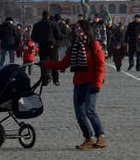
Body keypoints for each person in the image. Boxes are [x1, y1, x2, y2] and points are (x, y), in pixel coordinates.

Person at [44, 19, 107, 149]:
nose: (77, 29)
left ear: (86, 29)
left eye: (80, 27)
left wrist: (98, 83)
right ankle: (88, 138)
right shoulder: (75, 46)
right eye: (76, 27)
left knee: (90, 111)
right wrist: (45, 63)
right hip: (79, 82)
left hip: (92, 82)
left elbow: (101, 64)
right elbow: (63, 64)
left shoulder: (93, 44)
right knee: (79, 114)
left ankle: (100, 137)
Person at [31, 11, 60, 85]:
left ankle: (44, 80)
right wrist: (55, 41)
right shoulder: (53, 23)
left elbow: (33, 37)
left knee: (43, 63)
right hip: (52, 45)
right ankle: (55, 79)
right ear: (49, 16)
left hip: (42, 45)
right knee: (54, 62)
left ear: (42, 16)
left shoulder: (37, 25)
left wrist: (39, 40)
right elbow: (59, 35)